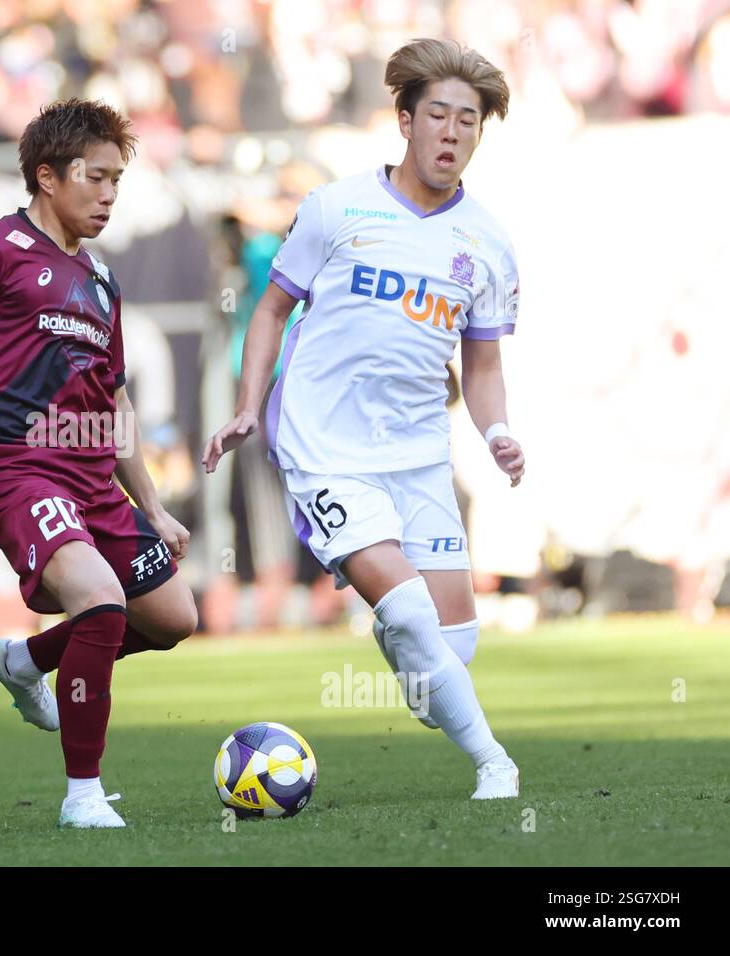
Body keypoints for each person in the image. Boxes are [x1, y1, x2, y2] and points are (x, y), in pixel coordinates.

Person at [203, 38, 526, 800]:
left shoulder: (488, 244)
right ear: (406, 121)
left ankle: (409, 650)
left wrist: (499, 432)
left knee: (451, 652)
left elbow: (481, 367)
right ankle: (495, 764)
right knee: (411, 608)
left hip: (418, 457)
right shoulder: (335, 207)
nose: (452, 133)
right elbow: (271, 309)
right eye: (438, 116)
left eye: (468, 121)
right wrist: (250, 405)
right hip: (324, 450)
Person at [0, 99, 198, 828]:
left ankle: (24, 662)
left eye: (120, 179)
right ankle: (82, 796)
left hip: (96, 484)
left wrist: (151, 506)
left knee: (173, 618)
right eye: (98, 176)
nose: (111, 194)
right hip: (17, 473)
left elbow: (113, 399)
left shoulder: (101, 281)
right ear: (49, 176)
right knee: (99, 597)